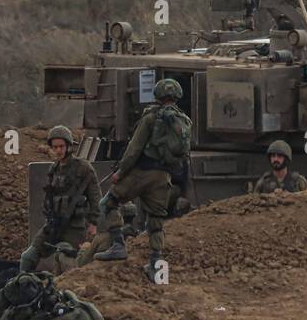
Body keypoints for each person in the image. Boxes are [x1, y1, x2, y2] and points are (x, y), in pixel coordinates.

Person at [94, 78, 192, 281]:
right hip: (163, 177)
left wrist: (120, 172)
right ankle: (155, 265)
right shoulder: (183, 120)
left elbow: (134, 149)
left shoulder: (151, 117)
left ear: (157, 95)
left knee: (108, 203)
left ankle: (118, 245)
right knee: (156, 222)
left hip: (143, 172)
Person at [21, 126, 100, 274]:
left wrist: (93, 223)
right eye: (55, 147)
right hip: (53, 225)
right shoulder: (54, 169)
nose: (58, 150)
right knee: (28, 257)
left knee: (68, 262)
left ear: (69, 146)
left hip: (75, 228)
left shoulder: (83, 168)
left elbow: (95, 198)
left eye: (61, 146)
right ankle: (23, 286)